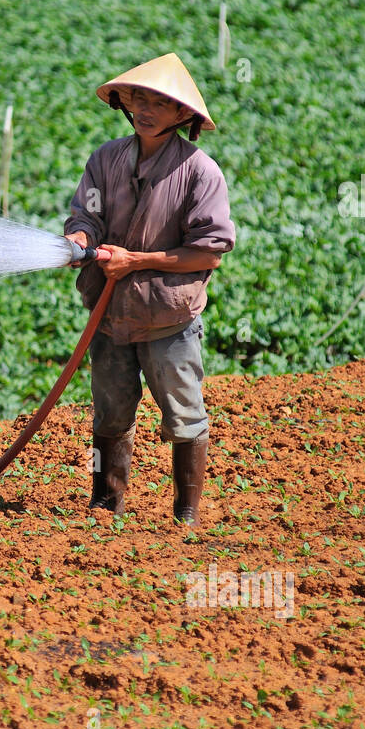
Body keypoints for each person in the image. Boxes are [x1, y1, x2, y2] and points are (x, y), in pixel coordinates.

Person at [64, 53, 235, 526]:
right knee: (110, 414)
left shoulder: (200, 173)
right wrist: (81, 238)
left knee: (183, 416)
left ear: (183, 115)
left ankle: (186, 514)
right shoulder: (104, 161)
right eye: (139, 97)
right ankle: (104, 505)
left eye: (160, 102)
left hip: (168, 320)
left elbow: (209, 252)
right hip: (110, 313)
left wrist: (134, 261)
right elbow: (87, 214)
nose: (145, 107)